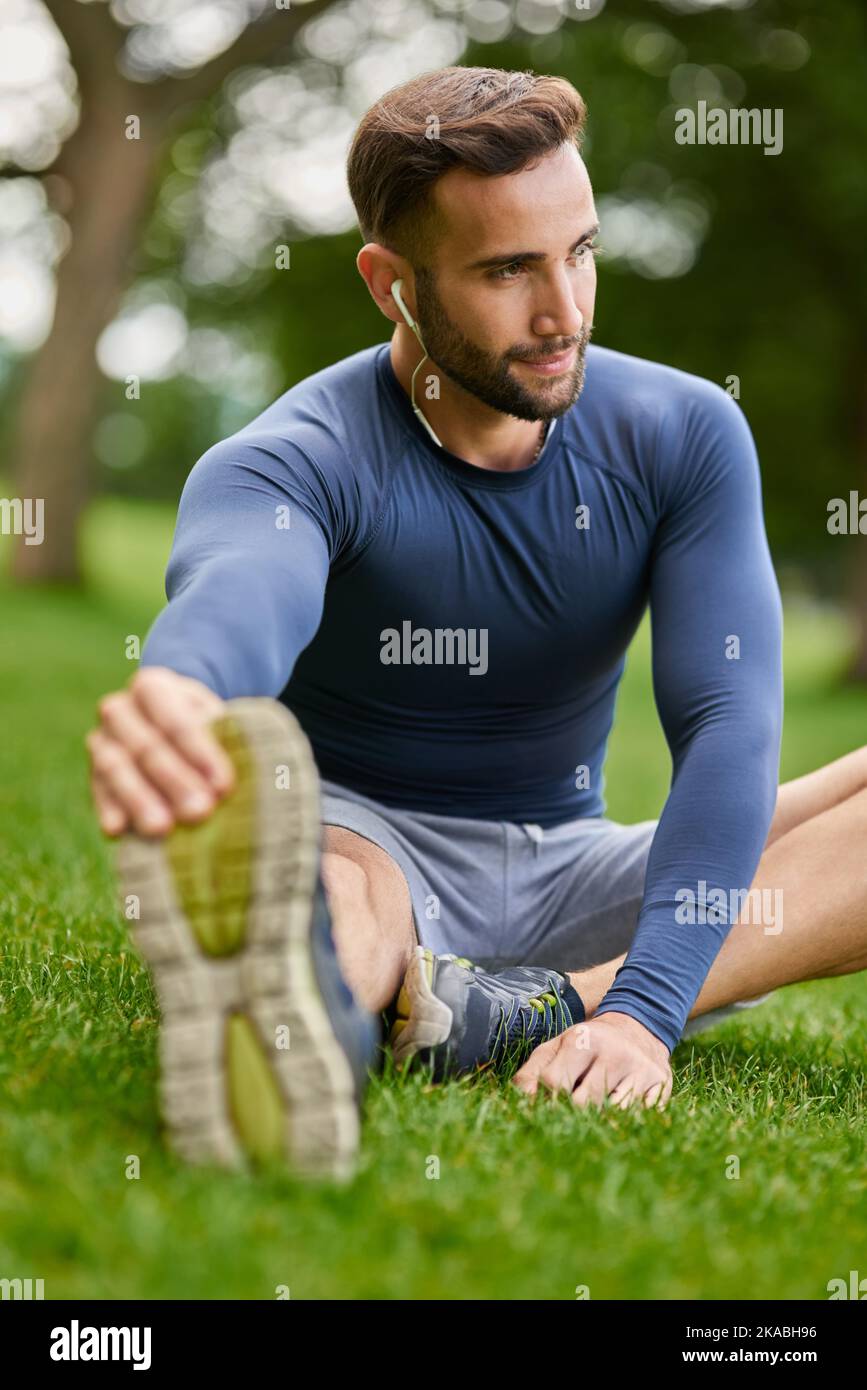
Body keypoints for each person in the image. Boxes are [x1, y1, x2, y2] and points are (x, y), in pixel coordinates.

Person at [87, 66, 867, 1179]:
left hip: (574, 864)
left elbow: (727, 727)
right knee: (338, 898)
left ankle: (538, 1008)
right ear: (390, 283)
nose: (565, 314)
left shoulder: (685, 433)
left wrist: (640, 1013)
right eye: (508, 270)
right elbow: (238, 593)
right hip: (368, 839)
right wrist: (183, 693)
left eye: (581, 252)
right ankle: (290, 1013)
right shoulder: (293, 459)